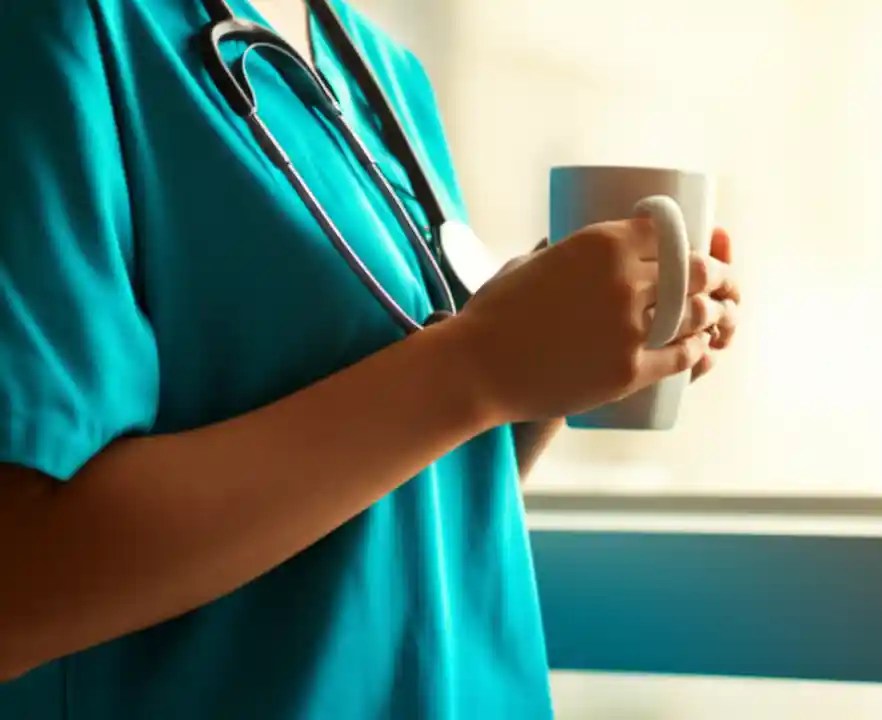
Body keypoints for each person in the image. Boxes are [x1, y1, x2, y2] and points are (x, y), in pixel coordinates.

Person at [0, 0, 740, 718]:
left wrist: (546, 360)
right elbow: (22, 577)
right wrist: (480, 363)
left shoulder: (385, 74)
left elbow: (391, 507)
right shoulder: (59, 28)